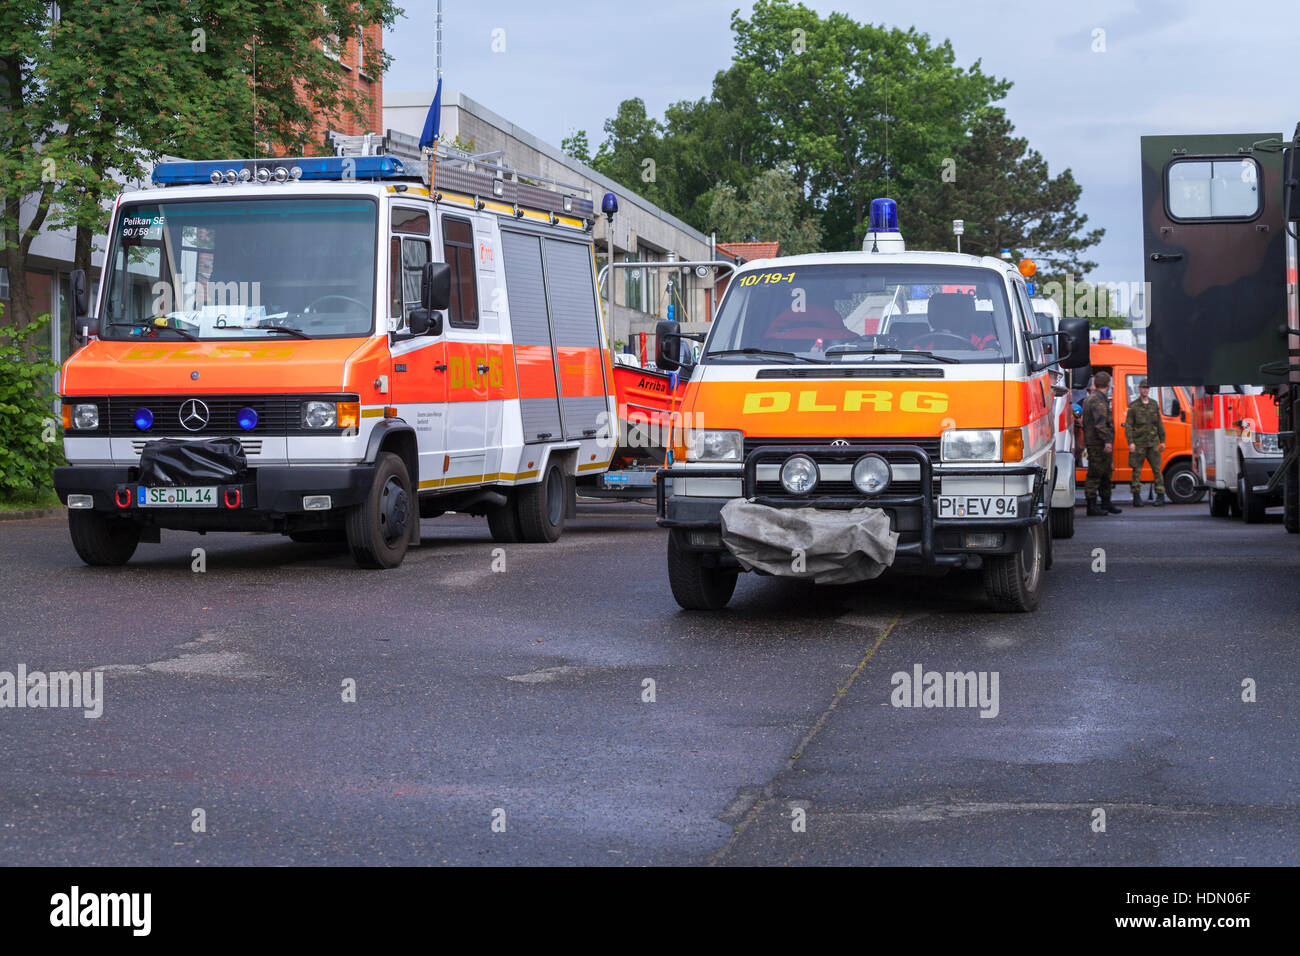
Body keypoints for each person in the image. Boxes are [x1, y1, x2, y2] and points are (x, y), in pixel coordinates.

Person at [1082, 370, 1122, 516]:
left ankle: (1106, 502)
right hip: (1098, 444)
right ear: (1108, 384)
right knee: (1095, 474)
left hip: (1096, 443)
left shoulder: (1093, 398)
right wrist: (1107, 441)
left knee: (1105, 473)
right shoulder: (1098, 400)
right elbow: (1100, 425)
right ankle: (1092, 506)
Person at [1125, 378, 1166, 507]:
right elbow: (1128, 426)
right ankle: (1136, 497)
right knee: (1136, 470)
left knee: (1157, 470)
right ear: (1139, 389)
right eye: (1143, 388)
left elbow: (1159, 424)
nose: (1145, 390)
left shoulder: (1154, 405)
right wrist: (1130, 442)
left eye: (1147, 388)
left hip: (1153, 443)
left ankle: (1160, 495)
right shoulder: (1134, 406)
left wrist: (1162, 441)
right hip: (1139, 443)